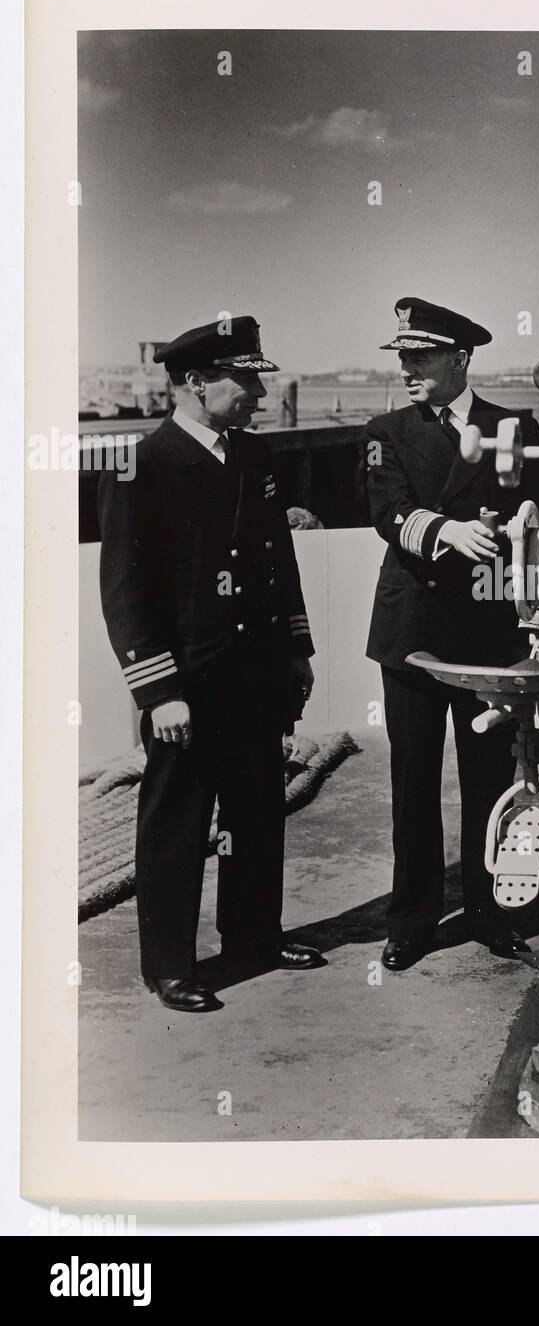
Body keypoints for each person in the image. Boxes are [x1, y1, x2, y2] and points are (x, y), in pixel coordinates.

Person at [97, 316, 324, 1013]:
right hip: (188, 681)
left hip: (255, 673)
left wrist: (296, 651)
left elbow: (278, 566)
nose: (259, 390)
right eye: (246, 378)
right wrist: (159, 691)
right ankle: (169, 964)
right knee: (178, 824)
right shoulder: (144, 464)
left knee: (258, 811)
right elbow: (126, 591)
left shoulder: (255, 461)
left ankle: (254, 936)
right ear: (197, 383)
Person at [365, 297, 539, 971]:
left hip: (486, 626)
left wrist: (536, 613)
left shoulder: (513, 426)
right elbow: (386, 513)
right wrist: (447, 530)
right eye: (404, 357)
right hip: (412, 628)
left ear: (460, 359)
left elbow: (538, 530)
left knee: (488, 780)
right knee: (413, 781)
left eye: (421, 357)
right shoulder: (386, 428)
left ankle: (490, 909)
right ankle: (411, 920)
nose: (409, 368)